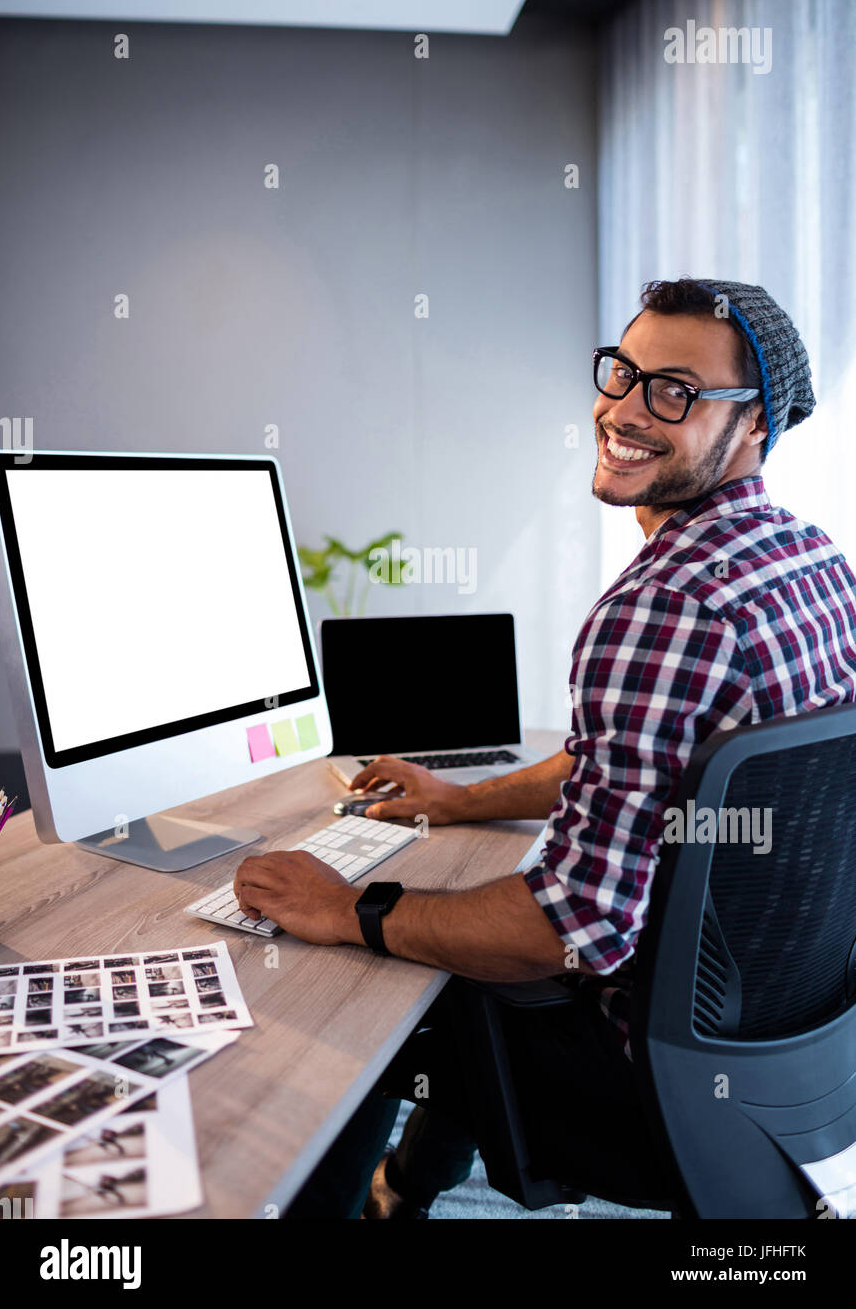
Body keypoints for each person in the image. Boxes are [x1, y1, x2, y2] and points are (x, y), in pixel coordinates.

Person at [234, 277, 856, 1218]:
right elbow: (644, 762)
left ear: (758, 424)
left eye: (675, 391)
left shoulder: (664, 606)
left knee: (367, 1001)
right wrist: (456, 800)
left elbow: (570, 929)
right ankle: (405, 1189)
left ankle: (360, 1205)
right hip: (789, 1046)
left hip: (648, 1079)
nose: (623, 409)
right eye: (624, 372)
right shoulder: (812, 562)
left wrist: (350, 910)